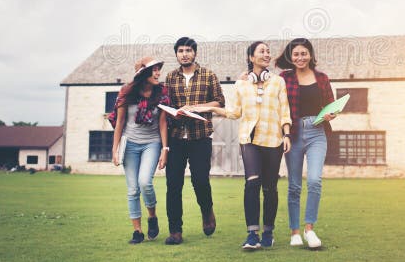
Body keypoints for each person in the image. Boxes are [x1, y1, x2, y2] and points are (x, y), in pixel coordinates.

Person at [196, 41, 292, 250]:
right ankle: (252, 234)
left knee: (270, 187)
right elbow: (233, 112)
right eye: (261, 51)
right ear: (251, 57)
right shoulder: (241, 84)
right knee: (252, 182)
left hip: (273, 138)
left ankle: (268, 231)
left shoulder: (277, 82)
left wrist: (286, 134)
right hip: (248, 139)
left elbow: (285, 110)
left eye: (268, 51)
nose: (266, 54)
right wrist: (202, 108)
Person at [162, 36, 225, 245]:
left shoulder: (208, 75)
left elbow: (219, 102)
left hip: (200, 137)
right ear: (176, 54)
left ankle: (207, 211)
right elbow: (166, 105)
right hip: (176, 137)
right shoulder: (170, 78)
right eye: (180, 51)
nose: (184, 54)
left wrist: (197, 108)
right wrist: (175, 113)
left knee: (200, 181)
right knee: (173, 185)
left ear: (195, 53)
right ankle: (175, 231)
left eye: (188, 50)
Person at [276, 38, 337, 249]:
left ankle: (309, 229)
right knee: (294, 185)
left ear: (310, 55)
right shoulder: (284, 78)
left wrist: (331, 114)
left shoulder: (322, 78)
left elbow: (332, 106)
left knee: (314, 181)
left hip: (317, 131)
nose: (300, 58)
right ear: (290, 57)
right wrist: (246, 77)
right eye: (296, 54)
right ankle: (294, 232)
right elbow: (268, 92)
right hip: (292, 132)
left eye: (303, 53)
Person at [109, 57, 170, 244]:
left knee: (145, 182)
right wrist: (115, 149)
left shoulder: (162, 93)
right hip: (130, 144)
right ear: (143, 73)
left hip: (151, 143)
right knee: (133, 189)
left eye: (159, 70)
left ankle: (152, 216)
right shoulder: (127, 92)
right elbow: (119, 122)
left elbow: (162, 123)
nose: (158, 73)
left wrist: (165, 149)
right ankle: (137, 231)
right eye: (155, 70)